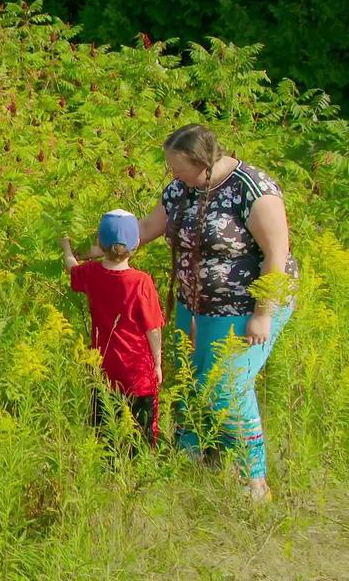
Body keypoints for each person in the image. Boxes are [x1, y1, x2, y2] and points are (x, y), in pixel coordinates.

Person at [131, 123, 299, 502]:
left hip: (247, 306)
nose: (173, 175)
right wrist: (103, 247)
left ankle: (253, 481)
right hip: (195, 305)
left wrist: (263, 313)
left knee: (227, 386)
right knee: (191, 380)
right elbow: (147, 227)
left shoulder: (252, 188)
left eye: (179, 168)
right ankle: (193, 459)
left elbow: (276, 254)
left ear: (203, 162)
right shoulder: (181, 189)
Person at [61, 210, 165, 449]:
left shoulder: (91, 273)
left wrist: (66, 246)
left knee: (104, 432)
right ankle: (138, 465)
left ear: (99, 243)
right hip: (138, 373)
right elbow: (153, 328)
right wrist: (158, 363)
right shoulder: (141, 281)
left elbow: (71, 267)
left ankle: (108, 466)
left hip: (102, 368)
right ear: (136, 243)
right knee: (141, 436)